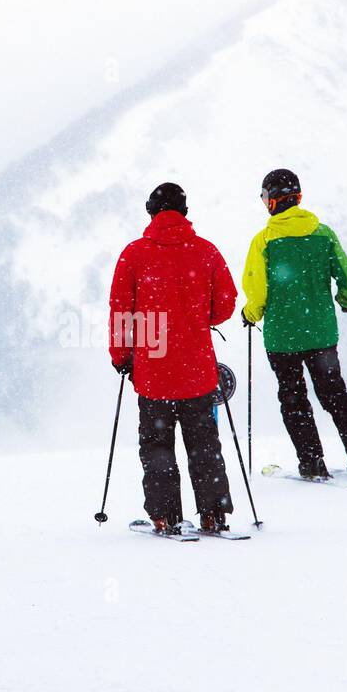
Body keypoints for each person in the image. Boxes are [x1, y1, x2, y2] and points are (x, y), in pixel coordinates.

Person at [109, 182, 238, 536]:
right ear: (184, 211)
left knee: (157, 445)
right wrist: (197, 316)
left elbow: (121, 312)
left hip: (153, 373)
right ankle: (213, 514)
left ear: (151, 212)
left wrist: (122, 357)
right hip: (197, 370)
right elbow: (226, 303)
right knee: (204, 445)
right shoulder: (206, 252)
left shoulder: (134, 255)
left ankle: (166, 516)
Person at [240, 168, 347, 478]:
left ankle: (312, 460)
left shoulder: (263, 241)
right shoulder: (323, 234)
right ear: (298, 198)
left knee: (294, 399)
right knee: (335, 393)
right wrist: (346, 300)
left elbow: (257, 290)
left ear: (271, 201)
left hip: (282, 338)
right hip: (321, 334)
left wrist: (250, 314)